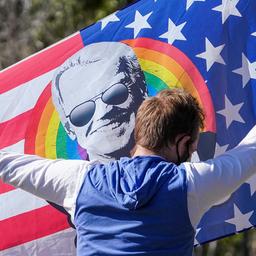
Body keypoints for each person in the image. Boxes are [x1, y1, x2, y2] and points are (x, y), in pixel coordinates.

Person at [1, 89, 256, 256]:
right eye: (192, 146)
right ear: (181, 142)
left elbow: (8, 165)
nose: (192, 153)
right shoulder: (191, 185)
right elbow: (250, 152)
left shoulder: (79, 181)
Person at [51, 41, 148, 162]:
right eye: (83, 112)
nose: (103, 111)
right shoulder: (76, 181)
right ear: (68, 128)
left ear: (141, 88)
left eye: (115, 94)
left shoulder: (176, 162)